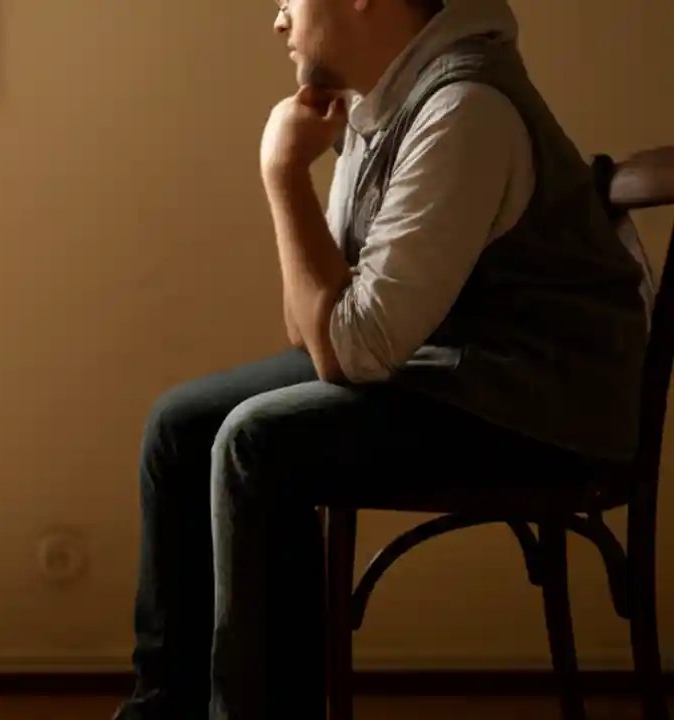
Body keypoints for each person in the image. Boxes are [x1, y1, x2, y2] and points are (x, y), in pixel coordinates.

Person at [112, 0, 651, 718]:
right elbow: (313, 330)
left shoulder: (466, 109)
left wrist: (283, 175)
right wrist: (294, 174)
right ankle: (160, 713)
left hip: (539, 408)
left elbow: (351, 349)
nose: (278, 20)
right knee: (181, 425)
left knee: (259, 443)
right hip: (448, 369)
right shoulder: (378, 107)